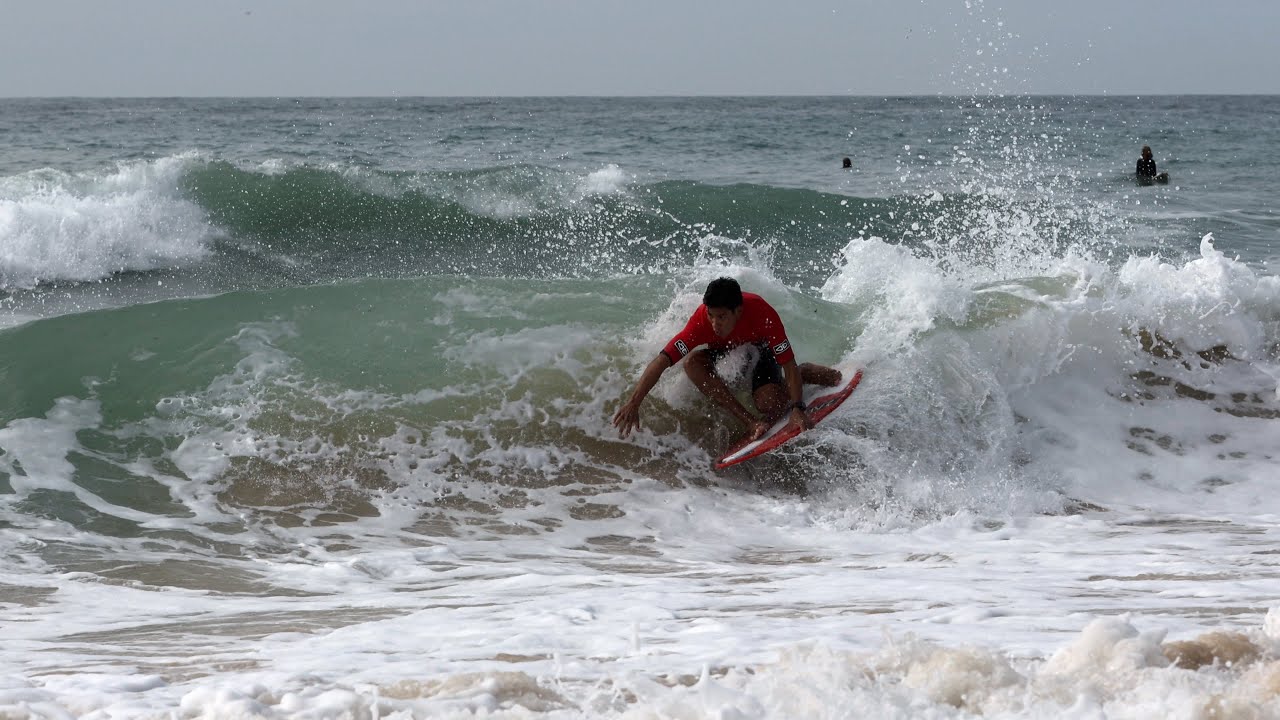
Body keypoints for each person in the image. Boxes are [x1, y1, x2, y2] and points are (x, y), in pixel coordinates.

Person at [612, 277, 841, 442]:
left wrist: (798, 406)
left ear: (738, 311)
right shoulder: (701, 323)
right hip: (725, 351)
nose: (714, 323)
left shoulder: (763, 314)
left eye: (721, 317)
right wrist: (634, 403)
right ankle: (751, 422)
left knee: (770, 404)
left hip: (757, 349)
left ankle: (806, 374)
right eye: (711, 315)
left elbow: (787, 364)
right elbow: (662, 361)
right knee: (691, 362)